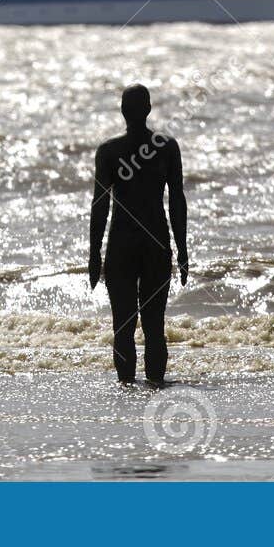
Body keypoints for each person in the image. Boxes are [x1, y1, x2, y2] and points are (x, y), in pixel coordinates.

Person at [88, 84, 187, 385]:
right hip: (157, 242)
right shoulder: (167, 147)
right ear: (148, 109)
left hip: (121, 244)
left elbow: (100, 205)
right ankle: (155, 386)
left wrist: (95, 253)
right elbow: (178, 201)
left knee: (123, 325)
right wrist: (182, 250)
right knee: (154, 324)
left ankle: (127, 390)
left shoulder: (109, 151)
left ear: (122, 111)